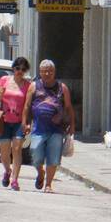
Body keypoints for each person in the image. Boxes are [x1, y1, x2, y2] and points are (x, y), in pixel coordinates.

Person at [27, 59, 75, 193]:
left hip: (57, 130)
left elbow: (69, 108)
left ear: (54, 72)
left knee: (53, 158)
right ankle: (40, 172)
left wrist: (72, 125)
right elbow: (27, 106)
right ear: (40, 72)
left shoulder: (62, 88)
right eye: (44, 71)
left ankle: (48, 185)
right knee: (36, 156)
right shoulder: (34, 86)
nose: (47, 73)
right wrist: (25, 123)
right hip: (38, 129)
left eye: (50, 71)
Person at [0, 57, 33, 191]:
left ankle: (15, 180)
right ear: (13, 68)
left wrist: (27, 123)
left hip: (19, 122)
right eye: (18, 68)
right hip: (4, 120)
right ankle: (7, 171)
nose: (20, 71)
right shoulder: (4, 80)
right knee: (4, 152)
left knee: (17, 150)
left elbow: (28, 106)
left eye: (23, 69)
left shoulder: (28, 86)